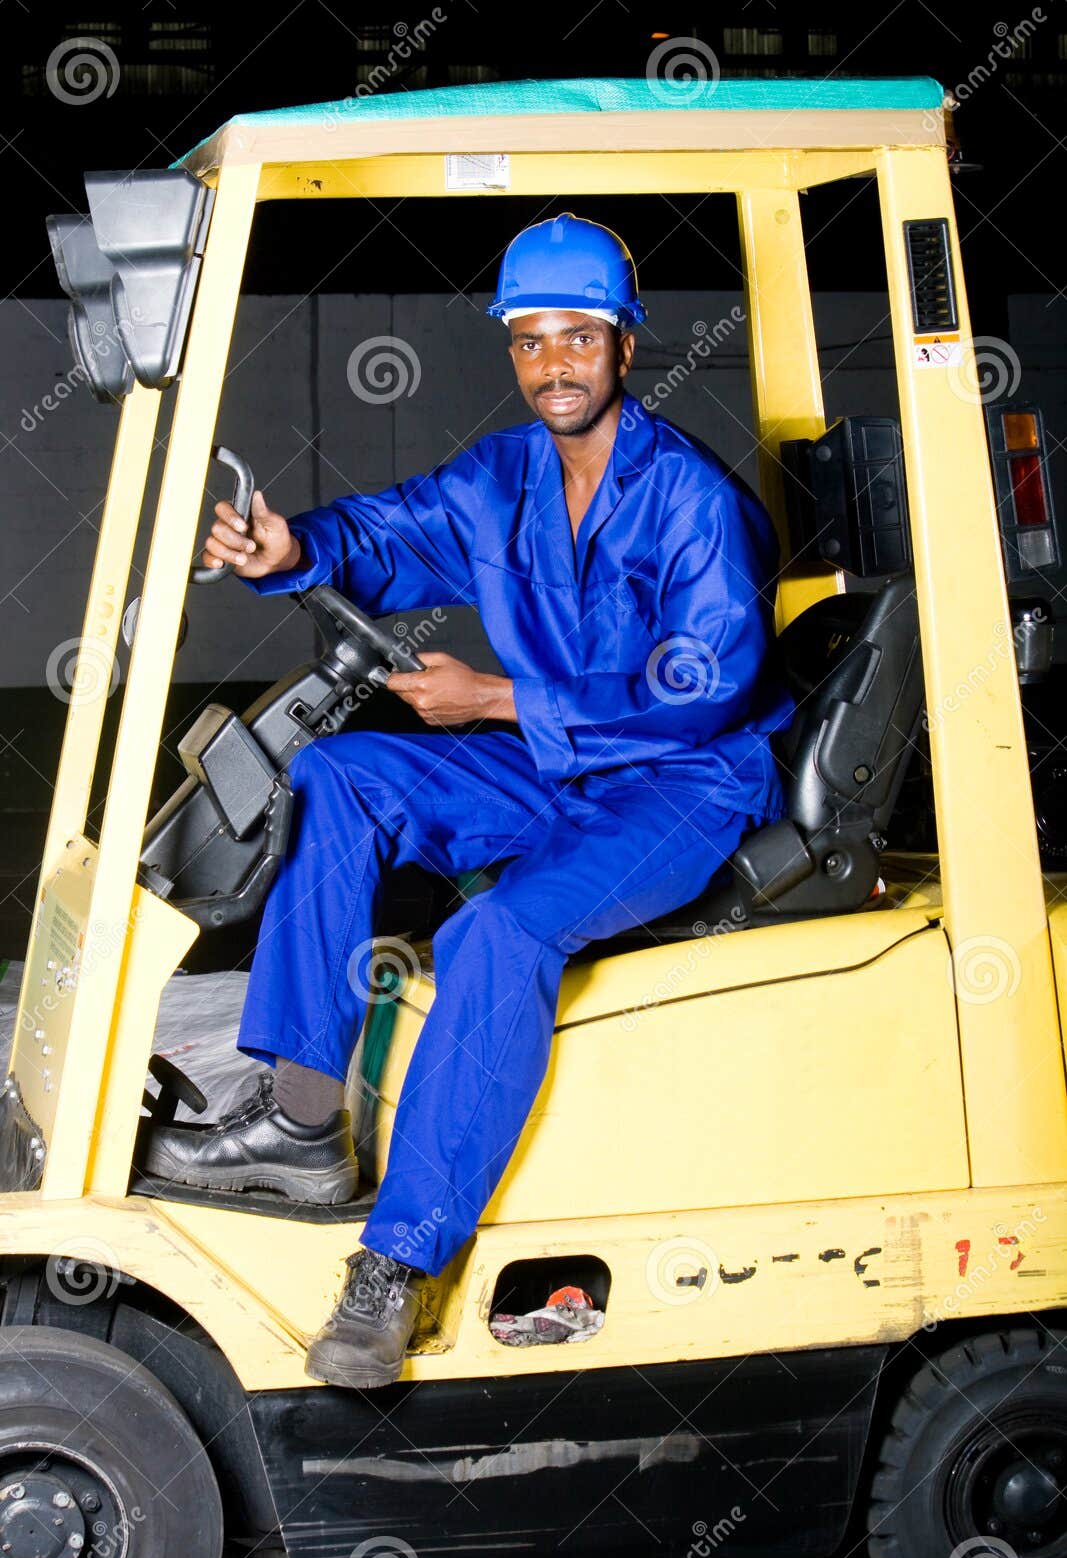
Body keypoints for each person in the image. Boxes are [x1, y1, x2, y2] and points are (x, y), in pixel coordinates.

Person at [144, 212, 794, 1388]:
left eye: (577, 338)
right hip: (557, 764)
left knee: (496, 930)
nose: (553, 364)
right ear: (511, 351)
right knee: (338, 773)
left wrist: (495, 697)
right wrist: (293, 548)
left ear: (624, 345)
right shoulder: (500, 480)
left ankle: (398, 1261)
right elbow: (387, 534)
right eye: (530, 340)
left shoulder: (690, 501)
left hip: (684, 784)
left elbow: (698, 691)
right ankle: (299, 1122)